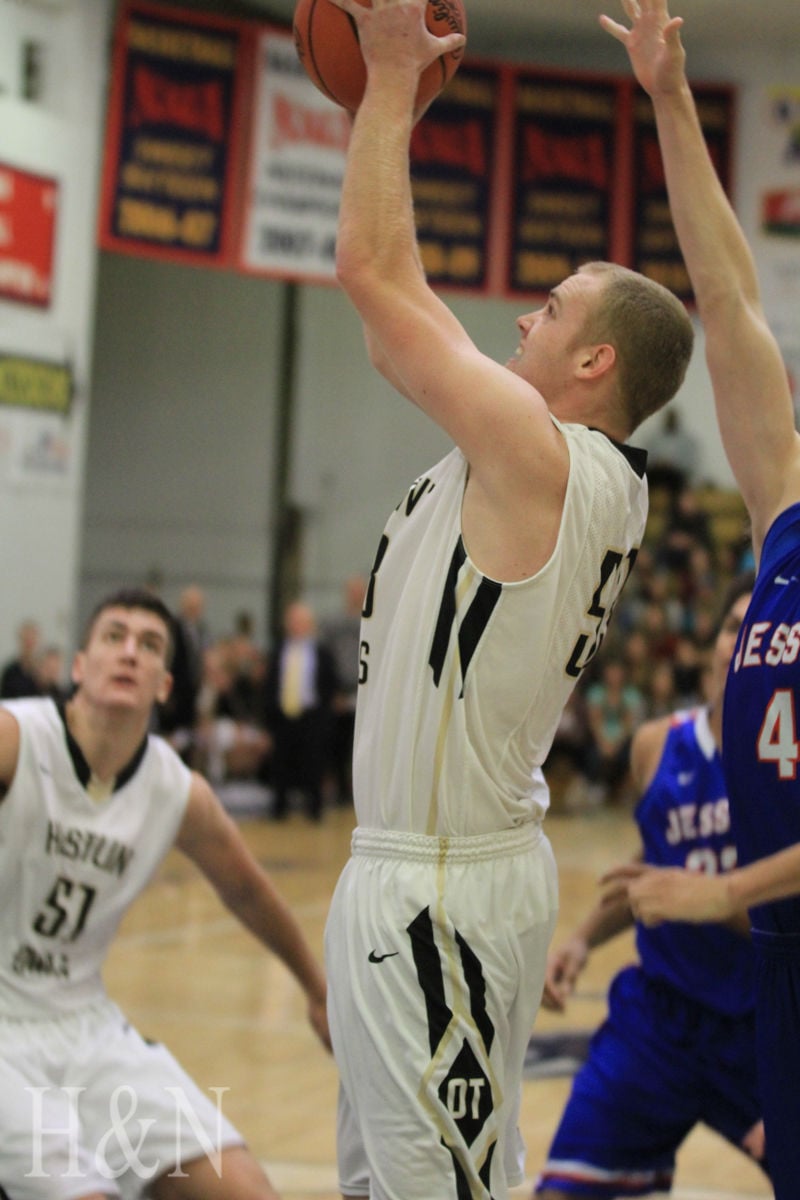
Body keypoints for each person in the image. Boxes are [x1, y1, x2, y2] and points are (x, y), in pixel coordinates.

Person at [322, 0, 695, 1196]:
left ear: (594, 365)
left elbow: (379, 285)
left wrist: (385, 81)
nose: (525, 312)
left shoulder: (543, 457)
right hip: (419, 871)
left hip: (439, 886)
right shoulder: (537, 465)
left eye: (553, 306)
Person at [599, 3, 800, 1196]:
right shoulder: (782, 529)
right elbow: (726, 307)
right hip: (775, 953)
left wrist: (720, 888)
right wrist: (670, 96)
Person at [0, 587, 330, 1199]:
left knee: (246, 1190)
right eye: (114, 637)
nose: (130, 652)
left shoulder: (175, 791)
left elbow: (248, 892)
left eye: (149, 645)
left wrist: (317, 989)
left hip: (87, 1030)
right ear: (79, 665)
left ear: (164, 686)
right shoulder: (17, 737)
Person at [535, 574, 769, 1198]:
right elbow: (656, 865)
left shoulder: (786, 764)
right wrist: (584, 938)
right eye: (728, 627)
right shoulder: (655, 748)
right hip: (661, 1020)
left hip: (767, 1030)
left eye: (756, 632)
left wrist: (716, 898)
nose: (736, 643)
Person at [262, 600, 340, 821]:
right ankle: (279, 809)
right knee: (280, 762)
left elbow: (330, 684)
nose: (298, 626)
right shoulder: (278, 651)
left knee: (313, 762)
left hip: (312, 716)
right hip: (283, 715)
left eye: (302, 622)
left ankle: (314, 809)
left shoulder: (322, 652)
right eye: (294, 621)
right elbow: (270, 684)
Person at [319, 575, 366, 805]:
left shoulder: (374, 619)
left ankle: (358, 790)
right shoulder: (332, 623)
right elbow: (325, 658)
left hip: (363, 690)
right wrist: (332, 691)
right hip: (340, 690)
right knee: (338, 742)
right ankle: (339, 790)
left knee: (360, 745)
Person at [1, 618, 42, 699]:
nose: (29, 645)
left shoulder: (42, 671)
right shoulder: (10, 672)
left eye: (32, 641)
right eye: (26, 640)